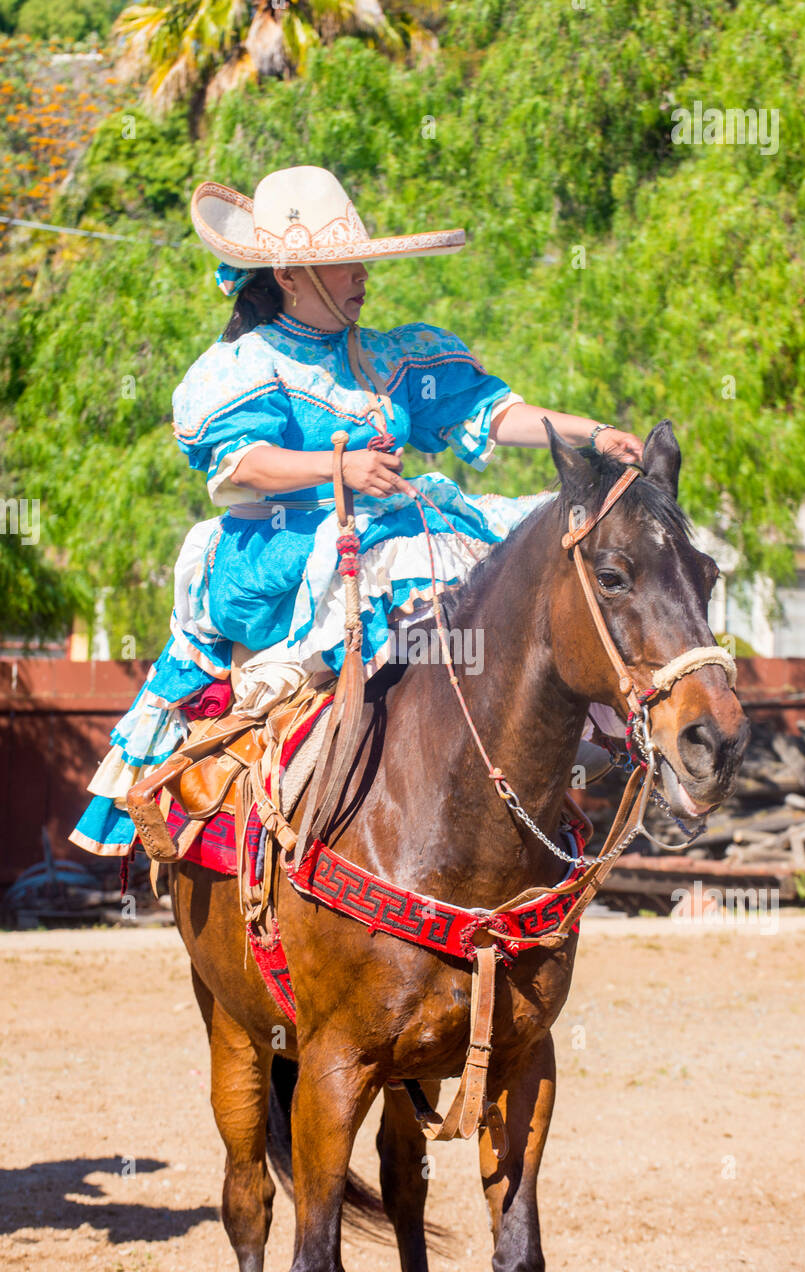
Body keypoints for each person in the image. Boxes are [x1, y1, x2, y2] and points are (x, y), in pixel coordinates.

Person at [70, 166, 642, 857]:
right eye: (345, 264)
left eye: (363, 261)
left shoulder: (391, 355)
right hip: (284, 551)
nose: (363, 276)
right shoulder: (249, 364)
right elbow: (238, 463)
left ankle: (544, 751)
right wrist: (337, 468)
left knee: (539, 551)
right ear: (289, 273)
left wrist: (592, 434)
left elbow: (488, 414)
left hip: (394, 526)